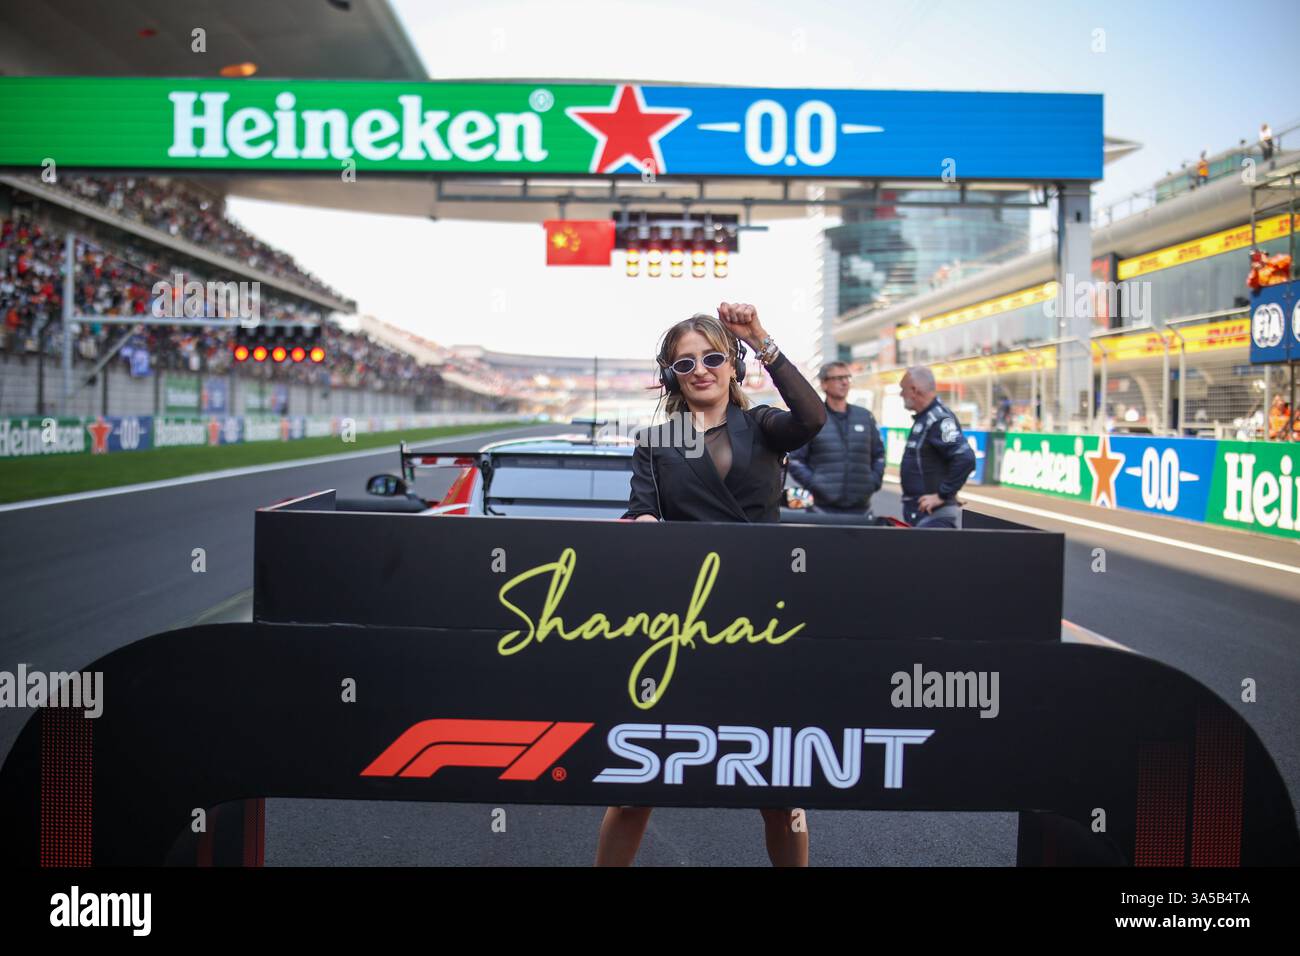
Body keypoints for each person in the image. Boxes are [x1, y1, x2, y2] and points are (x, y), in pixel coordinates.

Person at [603, 303, 826, 867]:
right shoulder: (657, 440)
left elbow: (814, 418)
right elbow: (641, 510)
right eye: (685, 363)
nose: (700, 369)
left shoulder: (767, 426)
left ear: (733, 365)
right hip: (679, 624)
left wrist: (761, 338)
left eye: (712, 357)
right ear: (670, 376)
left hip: (763, 625)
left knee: (781, 795)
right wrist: (643, 526)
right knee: (637, 786)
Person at [786, 361, 885, 517]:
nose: (844, 382)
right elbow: (796, 460)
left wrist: (872, 482)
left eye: (847, 377)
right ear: (824, 384)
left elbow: (879, 454)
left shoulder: (864, 416)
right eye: (838, 378)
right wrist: (815, 484)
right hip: (821, 511)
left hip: (861, 511)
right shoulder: (814, 418)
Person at [898, 366, 975, 528]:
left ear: (914, 390)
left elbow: (965, 457)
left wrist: (942, 495)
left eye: (902, 389)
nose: (901, 394)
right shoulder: (925, 418)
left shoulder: (938, 419)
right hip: (922, 515)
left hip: (935, 517)